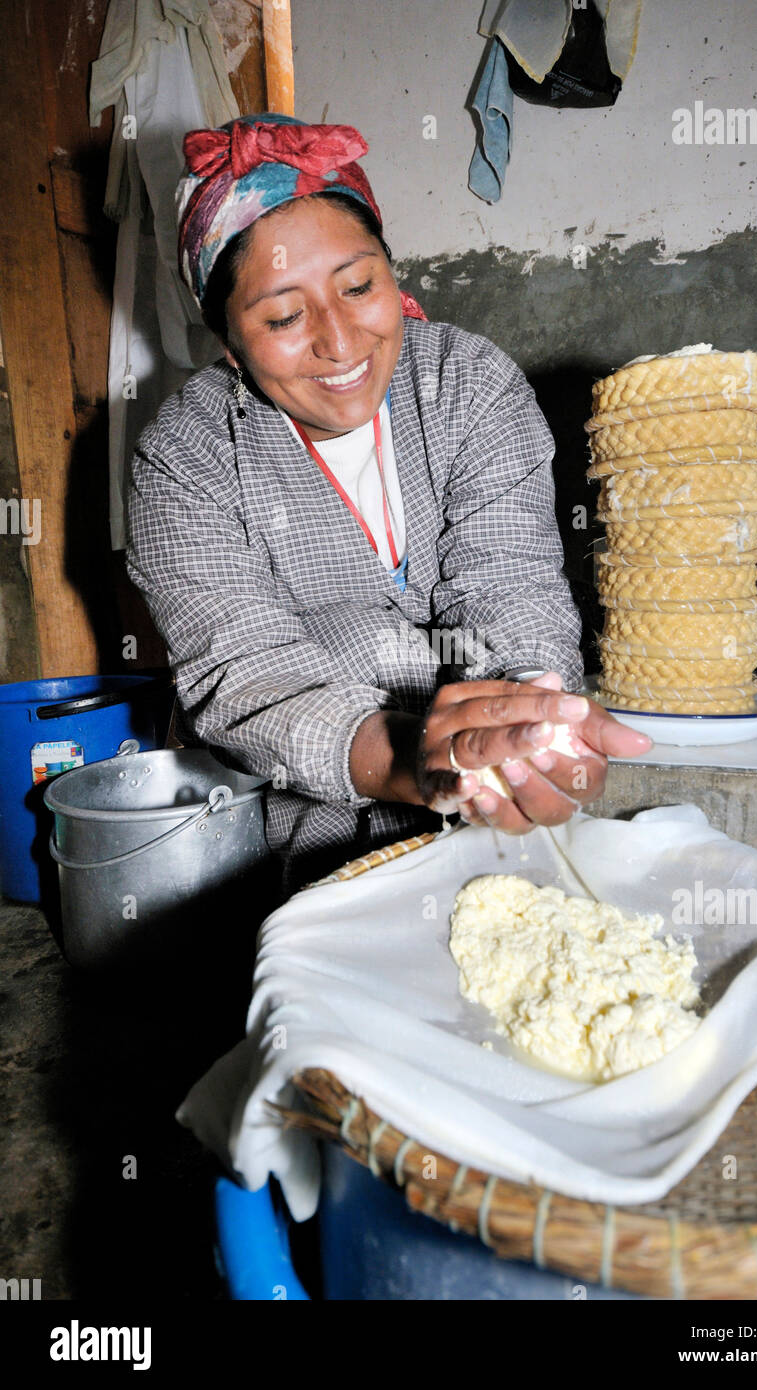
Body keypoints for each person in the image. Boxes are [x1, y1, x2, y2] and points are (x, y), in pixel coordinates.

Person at [125, 113, 651, 894]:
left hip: (511, 810)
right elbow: (251, 680)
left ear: (391, 274)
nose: (339, 342)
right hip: (316, 840)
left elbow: (513, 583)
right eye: (282, 316)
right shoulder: (186, 457)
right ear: (229, 341)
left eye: (359, 286)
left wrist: (533, 724)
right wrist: (416, 760)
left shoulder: (467, 383)